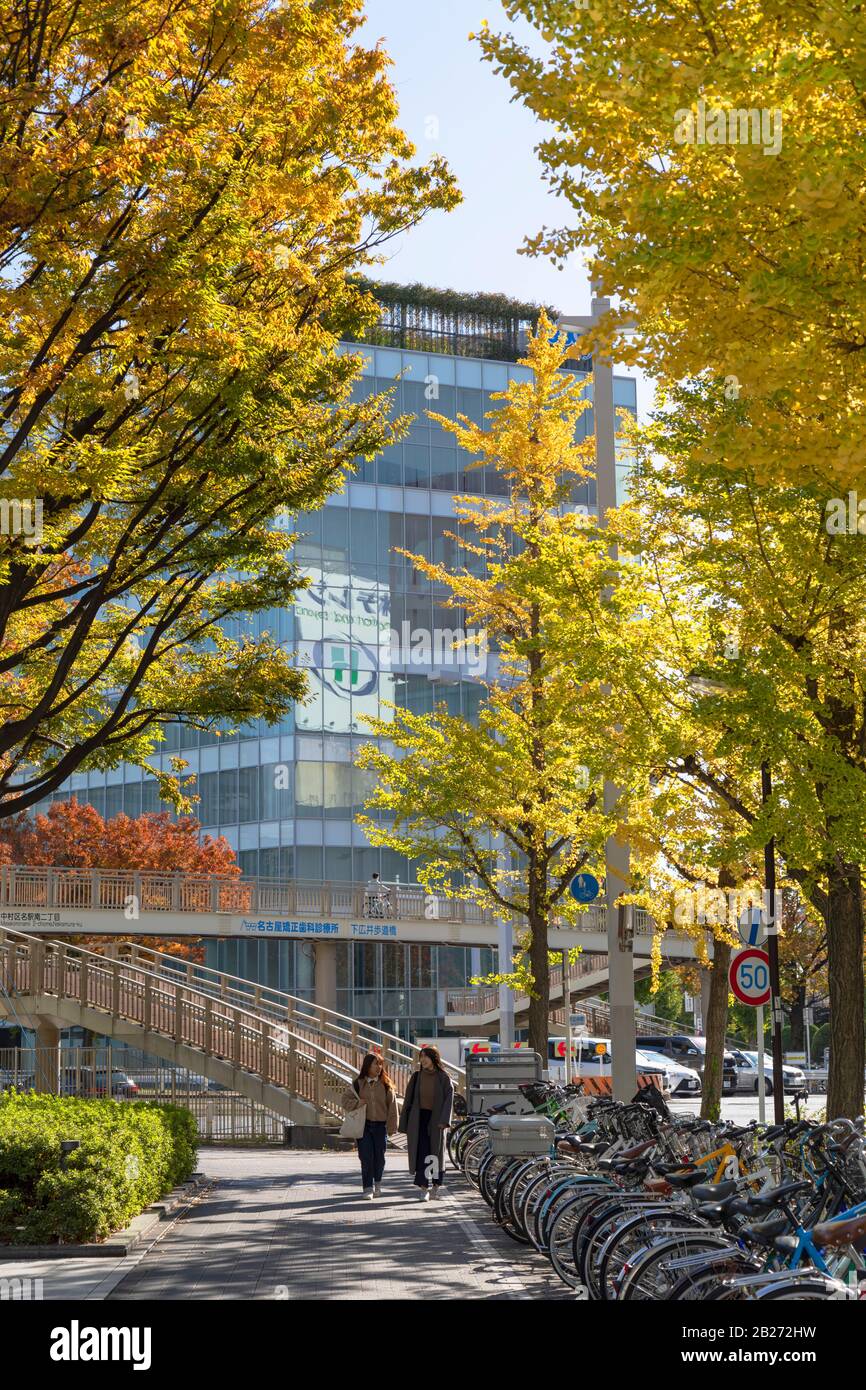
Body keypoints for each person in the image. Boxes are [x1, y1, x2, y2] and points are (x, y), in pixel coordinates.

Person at [398, 1045, 454, 1201]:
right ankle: (424, 1187)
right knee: (422, 1153)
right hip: (419, 1119)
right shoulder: (416, 1076)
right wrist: (405, 1123)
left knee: (435, 1154)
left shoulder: (443, 1077)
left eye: (425, 1056)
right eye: (420, 1057)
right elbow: (408, 1100)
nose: (422, 1060)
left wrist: (444, 1121)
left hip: (437, 1120)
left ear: (433, 1058)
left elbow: (449, 1101)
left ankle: (436, 1185)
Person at [341, 1053, 398, 1199]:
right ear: (367, 1066)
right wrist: (357, 1103)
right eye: (375, 1064)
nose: (379, 1067)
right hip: (364, 1126)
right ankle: (367, 1188)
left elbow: (393, 1108)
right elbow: (344, 1100)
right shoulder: (358, 1083)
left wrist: (392, 1127)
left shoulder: (386, 1085)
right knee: (366, 1157)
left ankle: (377, 1184)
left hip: (380, 1127)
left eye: (380, 1064)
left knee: (379, 1157)